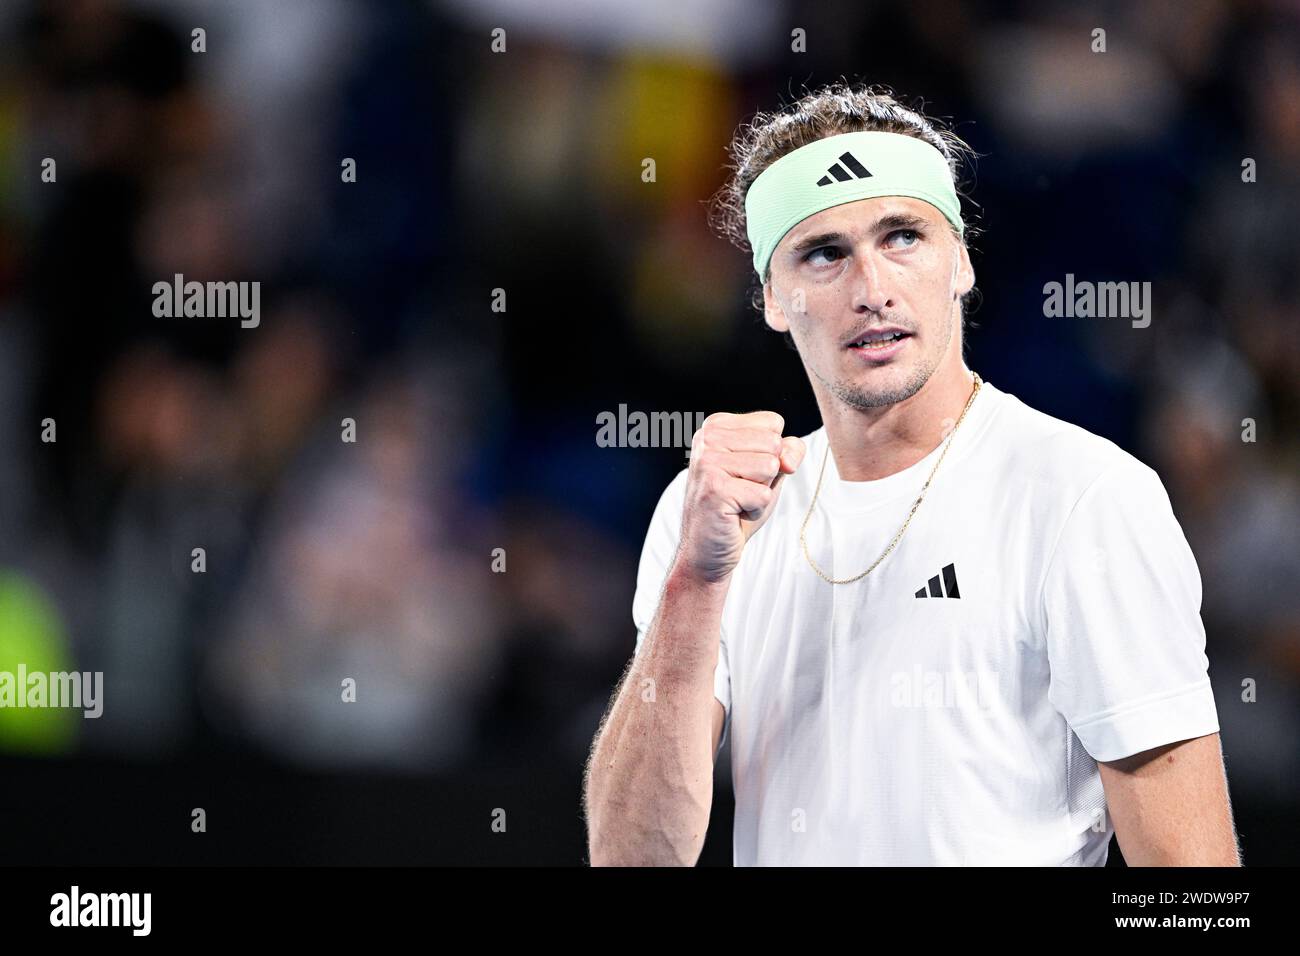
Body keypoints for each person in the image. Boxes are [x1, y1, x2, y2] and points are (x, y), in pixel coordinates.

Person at [583, 83, 1241, 866]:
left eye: (902, 237)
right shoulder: (710, 522)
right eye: (824, 254)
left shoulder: (1086, 499)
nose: (872, 289)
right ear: (770, 299)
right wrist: (695, 582)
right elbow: (632, 858)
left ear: (960, 261)